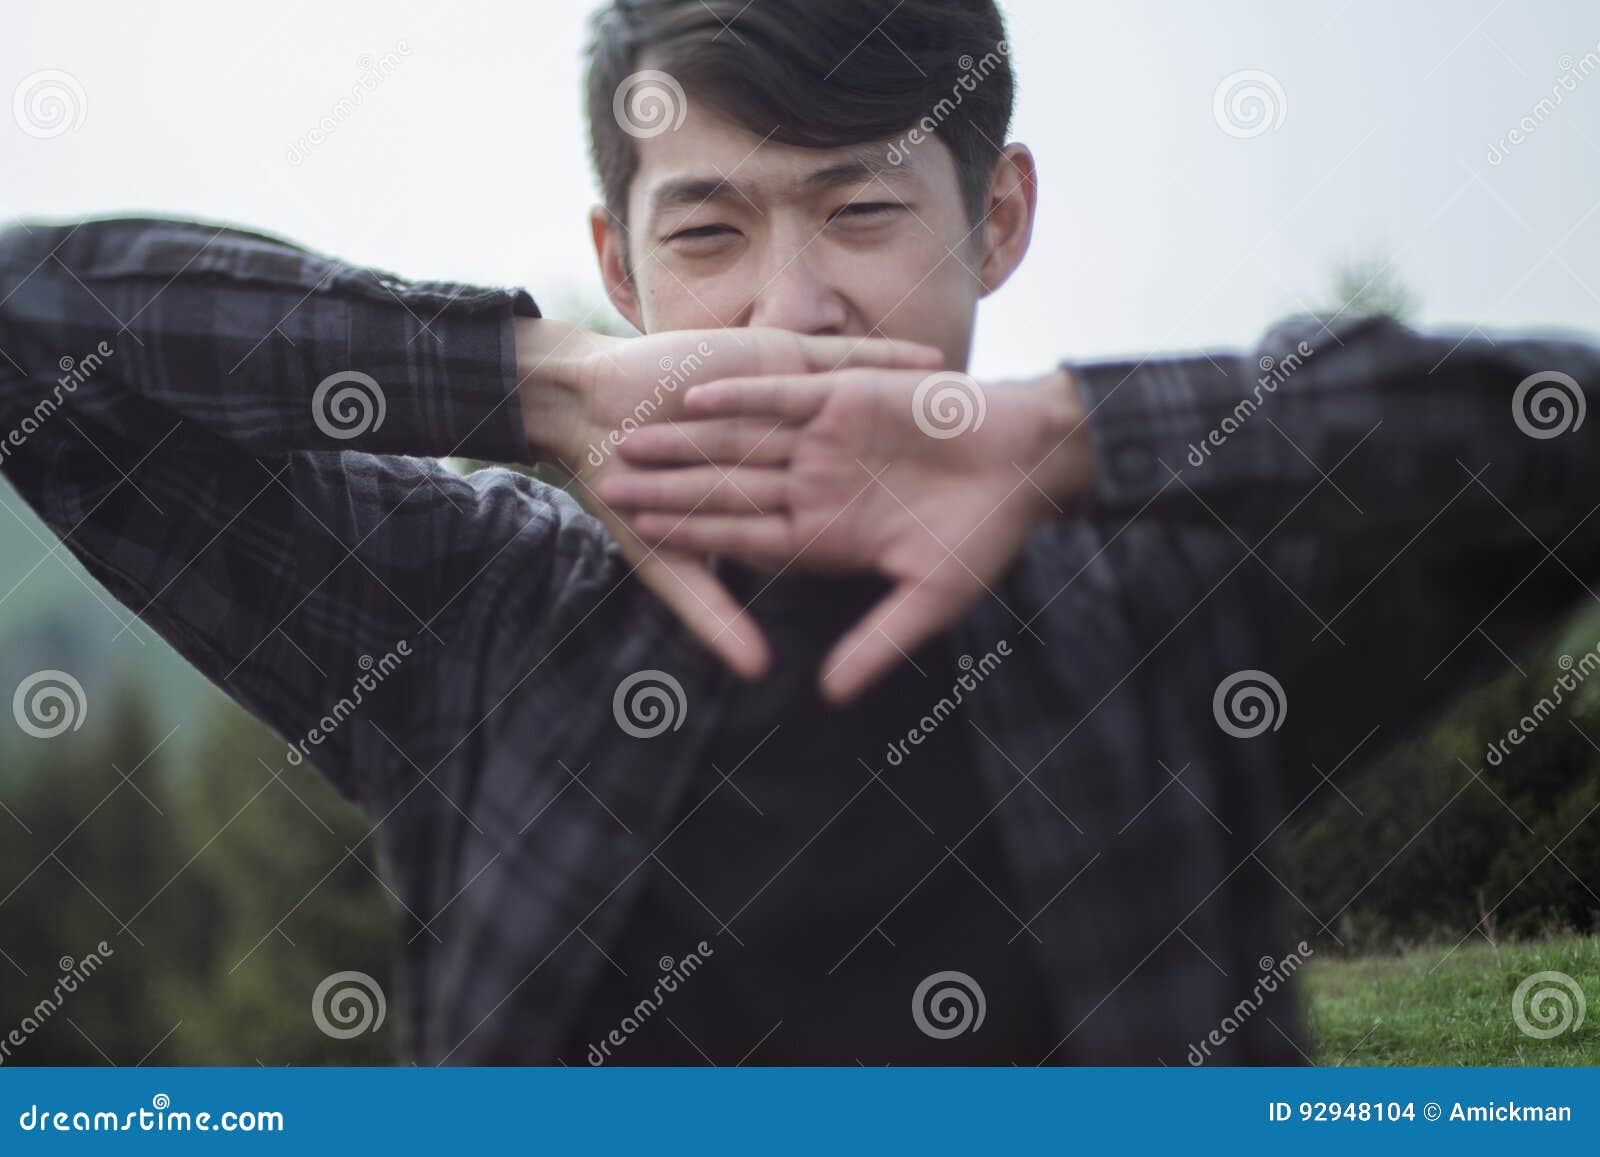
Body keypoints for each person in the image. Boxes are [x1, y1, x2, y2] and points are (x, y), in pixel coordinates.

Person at [1, 0, 1596, 1065]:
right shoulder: (466, 610)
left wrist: (1072, 434)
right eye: (707, 231)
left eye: (862, 211)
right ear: (618, 268)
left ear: (998, 218)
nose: (792, 308)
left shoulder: (1177, 596)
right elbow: (30, 332)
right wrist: (527, 378)